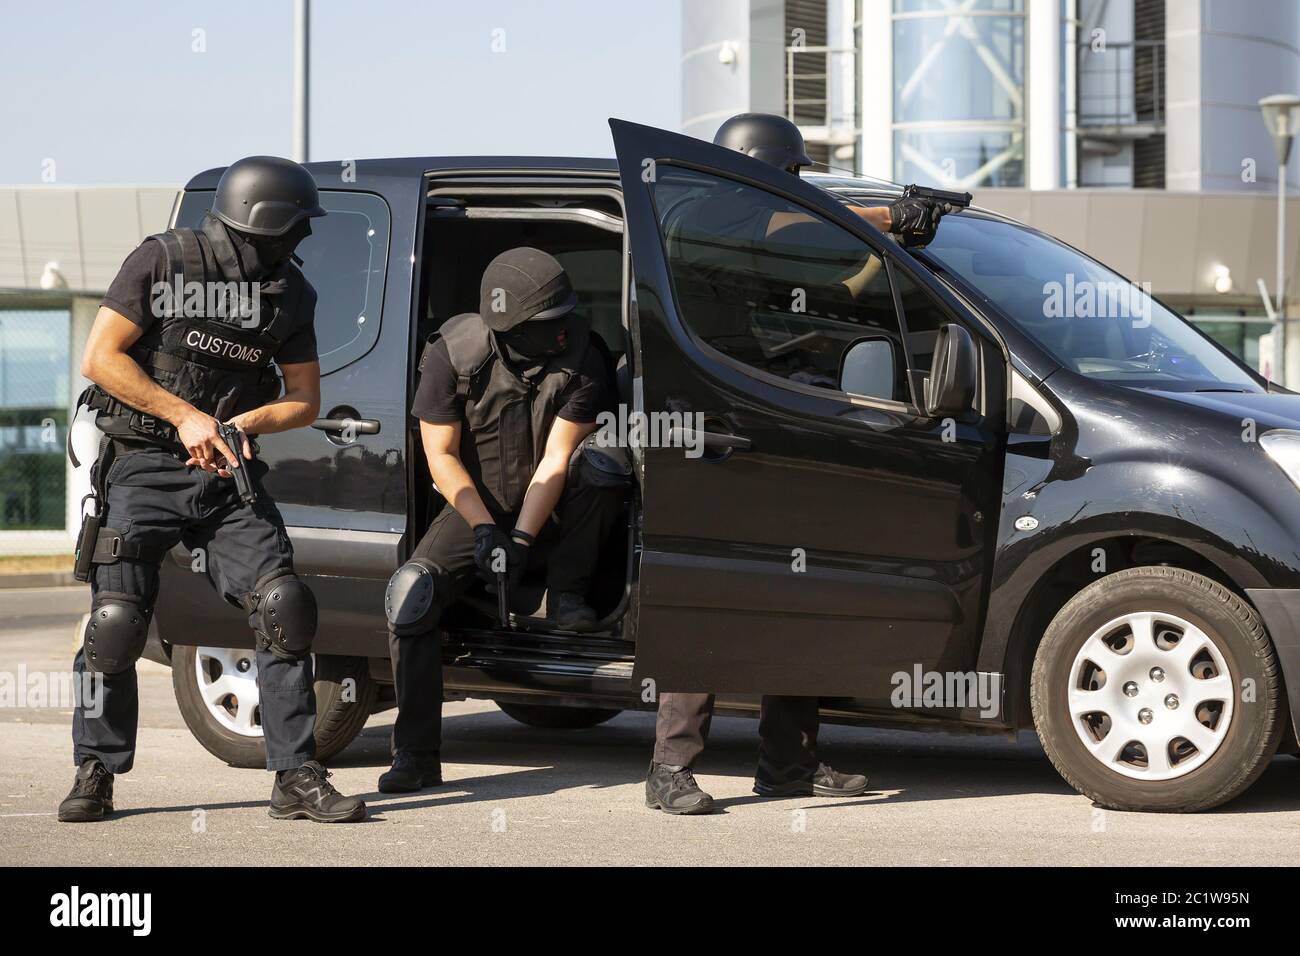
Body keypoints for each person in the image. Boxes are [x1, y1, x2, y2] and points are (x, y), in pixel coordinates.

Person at [646, 113, 957, 815]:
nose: (794, 191)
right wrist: (885, 213)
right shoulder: (707, 216)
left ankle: (787, 764)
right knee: (710, 604)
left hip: (766, 431)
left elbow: (830, 285)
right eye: (791, 177)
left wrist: (887, 241)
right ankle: (670, 767)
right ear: (764, 172)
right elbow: (794, 223)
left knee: (794, 598)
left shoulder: (749, 232)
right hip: (712, 437)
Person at [59, 156, 366, 824]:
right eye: (296, 227)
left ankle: (294, 776)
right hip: (143, 463)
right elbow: (100, 358)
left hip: (227, 469)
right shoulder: (163, 261)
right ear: (263, 222)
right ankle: (95, 770)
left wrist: (241, 423)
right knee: (115, 623)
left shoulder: (292, 293)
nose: (303, 240)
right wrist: (184, 416)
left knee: (284, 605)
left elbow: (305, 400)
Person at [379, 247, 624, 793]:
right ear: (508, 326)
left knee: (606, 464)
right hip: (473, 500)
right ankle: (416, 755)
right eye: (547, 324)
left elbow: (558, 458)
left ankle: (566, 594)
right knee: (411, 594)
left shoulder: (585, 355)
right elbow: (439, 456)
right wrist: (486, 528)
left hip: (550, 500)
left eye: (565, 317)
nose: (562, 330)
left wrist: (519, 537)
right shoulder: (452, 355)